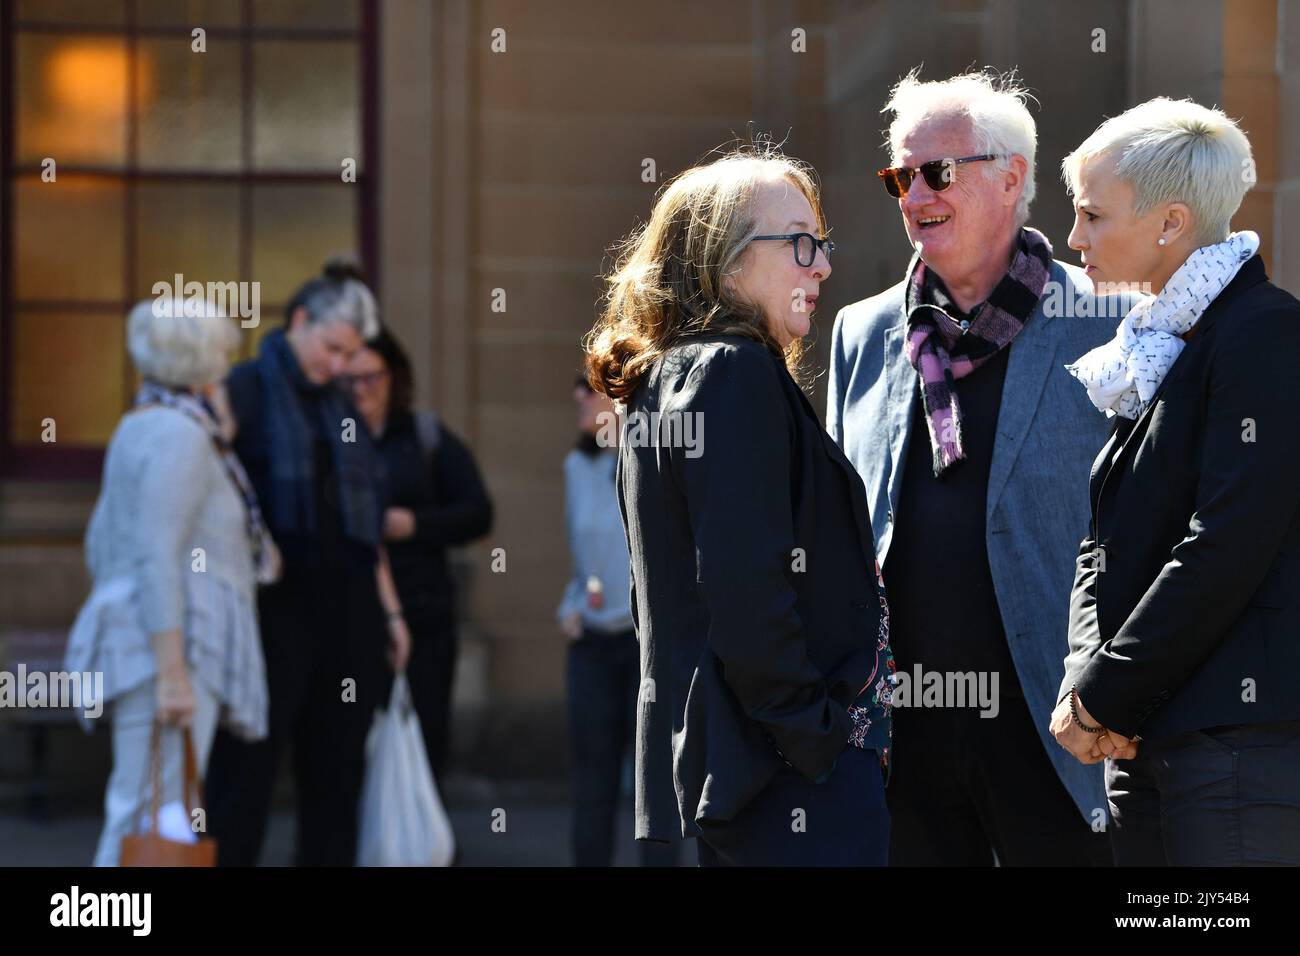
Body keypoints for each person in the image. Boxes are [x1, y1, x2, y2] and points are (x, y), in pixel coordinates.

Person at [827, 69, 1120, 866]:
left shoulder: (1109, 318)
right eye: (901, 175)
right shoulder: (862, 329)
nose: (915, 193)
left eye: (939, 172)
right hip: (904, 729)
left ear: (1013, 178)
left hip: (1054, 723)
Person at [586, 144, 894, 867]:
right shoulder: (730, 373)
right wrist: (817, 735)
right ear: (725, 264)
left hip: (742, 771)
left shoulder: (672, 379)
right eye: (800, 243)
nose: (821, 264)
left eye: (821, 243)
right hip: (784, 775)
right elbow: (743, 589)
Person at [1054, 97, 1300, 866]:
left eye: (1094, 216)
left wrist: (1105, 697)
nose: (1073, 238)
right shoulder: (1158, 346)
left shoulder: (1263, 331)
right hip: (1147, 741)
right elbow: (1103, 542)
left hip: (1235, 748)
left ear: (1170, 223)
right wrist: (1085, 685)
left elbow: (1227, 543)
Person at [204, 258, 411, 867]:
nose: (341, 365)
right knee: (245, 775)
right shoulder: (242, 389)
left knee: (336, 778)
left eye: (350, 353)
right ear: (299, 320)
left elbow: (366, 527)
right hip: (271, 614)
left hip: (348, 617)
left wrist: (391, 616)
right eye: (332, 347)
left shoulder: (339, 406)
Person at [65, 298, 275, 866]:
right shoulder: (180, 435)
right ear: (201, 356)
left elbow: (101, 543)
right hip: (170, 647)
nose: (229, 365)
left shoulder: (148, 423)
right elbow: (157, 552)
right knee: (146, 809)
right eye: (223, 352)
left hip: (152, 640)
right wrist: (174, 673)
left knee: (151, 805)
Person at [342, 327, 493, 782]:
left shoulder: (423, 436)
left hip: (422, 616)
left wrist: (416, 525)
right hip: (350, 620)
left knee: (424, 745)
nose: (361, 390)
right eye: (350, 381)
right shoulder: (331, 439)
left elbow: (478, 513)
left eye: (372, 377)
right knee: (350, 750)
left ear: (394, 377)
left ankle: (424, 847)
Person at [557, 372, 675, 867]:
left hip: (648, 646)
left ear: (619, 393)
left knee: (656, 791)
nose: (578, 395)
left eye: (589, 386)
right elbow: (586, 561)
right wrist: (570, 604)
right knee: (592, 783)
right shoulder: (576, 468)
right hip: (592, 643)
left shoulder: (660, 455)